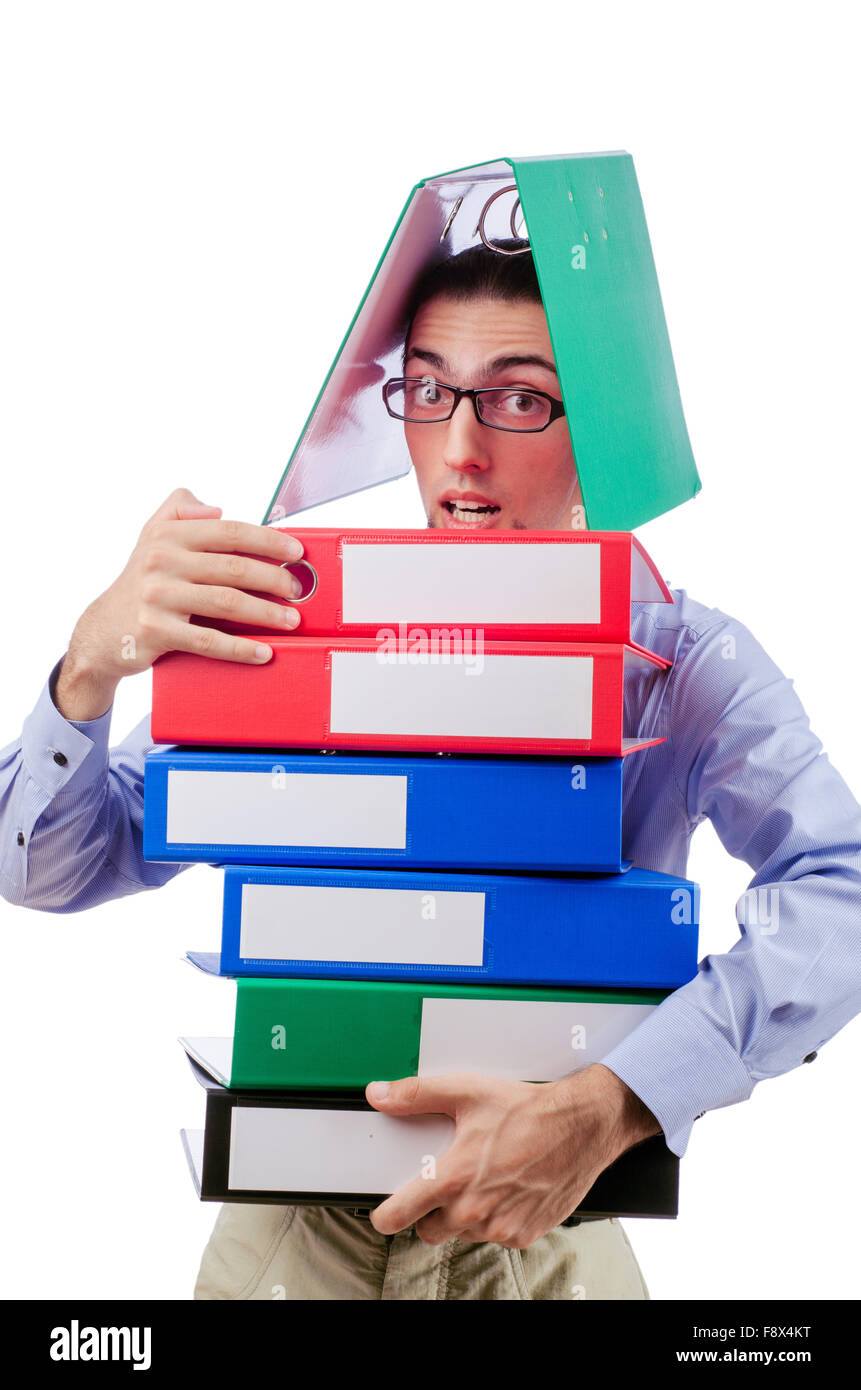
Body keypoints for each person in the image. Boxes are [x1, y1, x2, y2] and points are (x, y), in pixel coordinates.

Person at [2, 241, 860, 1302]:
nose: (459, 448)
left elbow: (842, 892)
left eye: (519, 401)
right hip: (291, 1250)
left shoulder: (681, 656)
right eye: (428, 390)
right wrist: (87, 671)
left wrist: (618, 1100)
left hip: (551, 1243)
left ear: (600, 422)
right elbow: (47, 869)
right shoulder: (298, 619)